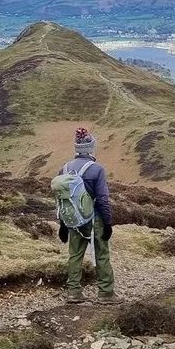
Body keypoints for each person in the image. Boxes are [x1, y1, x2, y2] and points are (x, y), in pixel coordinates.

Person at [57, 127, 115, 303]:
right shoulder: (96, 169)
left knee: (75, 255)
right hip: (94, 219)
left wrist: (62, 225)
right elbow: (103, 200)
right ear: (91, 148)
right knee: (101, 254)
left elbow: (61, 200)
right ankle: (106, 293)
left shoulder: (64, 169)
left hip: (73, 220)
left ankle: (73, 292)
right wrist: (108, 223)